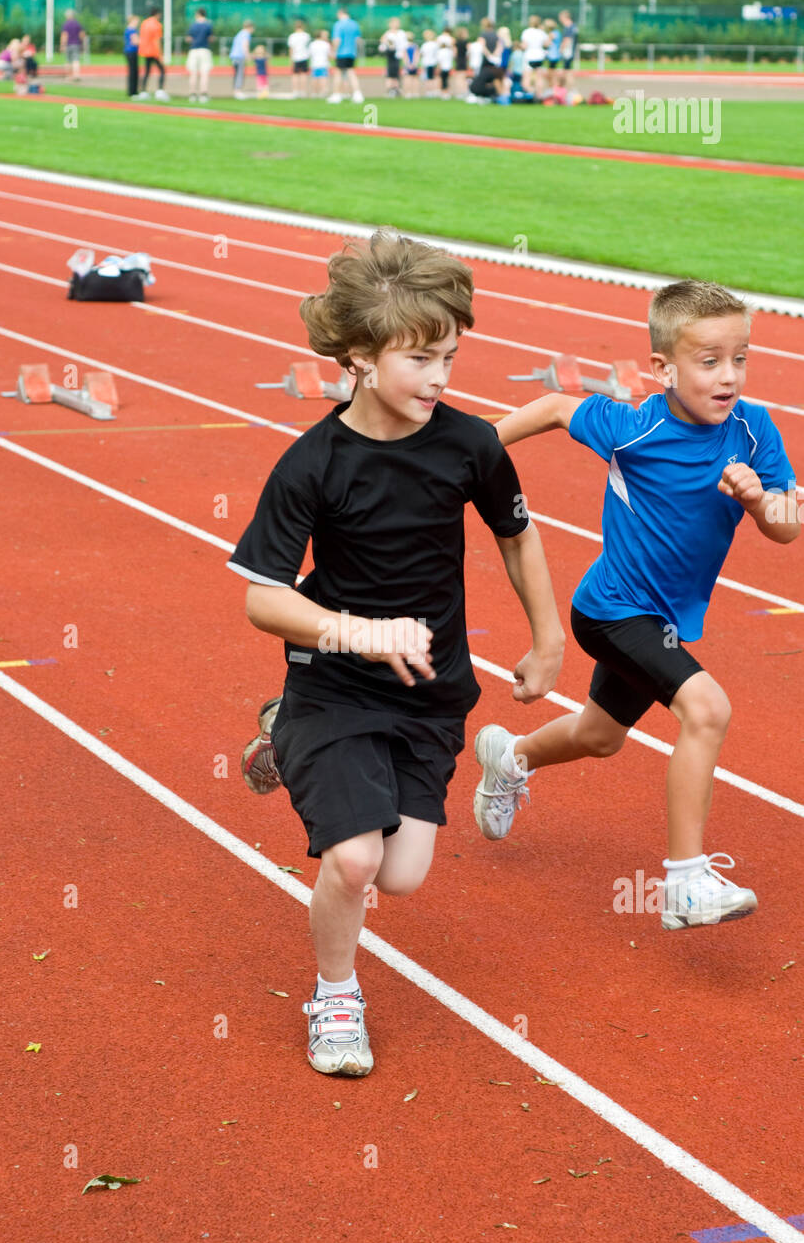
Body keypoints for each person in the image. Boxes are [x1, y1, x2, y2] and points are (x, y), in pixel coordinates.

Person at [232, 230, 564, 1076]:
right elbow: (262, 597)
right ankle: (335, 998)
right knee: (355, 861)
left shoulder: (470, 446)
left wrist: (547, 636)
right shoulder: (312, 463)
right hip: (337, 680)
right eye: (419, 360)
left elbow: (516, 537)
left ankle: (278, 737)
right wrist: (358, 632)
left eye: (449, 356)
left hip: (431, 689)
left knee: (405, 874)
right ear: (356, 358)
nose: (441, 378)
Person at [473, 280, 799, 931]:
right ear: (662, 368)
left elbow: (788, 525)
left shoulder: (753, 429)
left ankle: (508, 759)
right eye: (708, 361)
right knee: (706, 710)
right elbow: (554, 407)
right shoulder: (634, 426)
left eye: (740, 357)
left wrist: (760, 502)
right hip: (612, 610)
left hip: (664, 622)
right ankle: (683, 883)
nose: (728, 375)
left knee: (599, 737)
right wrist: (466, 452)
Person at [328, 6, 364, 104]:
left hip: (341, 52)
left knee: (338, 73)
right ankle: (357, 94)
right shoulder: (354, 24)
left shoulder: (338, 24)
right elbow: (358, 40)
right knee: (351, 72)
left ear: (340, 13)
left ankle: (336, 94)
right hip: (352, 52)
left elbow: (337, 40)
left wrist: (333, 51)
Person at [137, 8, 170, 101]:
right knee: (162, 70)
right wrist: (160, 54)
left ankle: (143, 91)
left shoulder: (144, 23)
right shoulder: (156, 25)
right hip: (154, 51)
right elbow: (157, 41)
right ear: (157, 14)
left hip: (145, 51)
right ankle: (160, 91)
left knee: (147, 71)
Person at [186, 7, 213, 104]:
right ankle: (203, 94)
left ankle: (192, 94)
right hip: (204, 50)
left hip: (194, 50)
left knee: (193, 73)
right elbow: (210, 38)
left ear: (198, 14)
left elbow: (189, 38)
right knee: (204, 74)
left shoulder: (193, 25)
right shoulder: (208, 25)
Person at [520, 14, 549, 94]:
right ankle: (539, 95)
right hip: (539, 56)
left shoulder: (526, 32)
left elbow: (524, 45)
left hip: (529, 56)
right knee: (539, 78)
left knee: (527, 77)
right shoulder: (541, 32)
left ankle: (529, 94)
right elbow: (546, 44)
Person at [379, 17, 404, 98]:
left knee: (396, 73)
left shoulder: (401, 33)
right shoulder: (387, 33)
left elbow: (403, 45)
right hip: (390, 55)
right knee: (389, 73)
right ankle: (389, 90)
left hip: (398, 55)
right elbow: (382, 43)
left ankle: (396, 89)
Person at [230, 19, 254, 98]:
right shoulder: (246, 34)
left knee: (237, 74)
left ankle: (236, 91)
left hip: (234, 56)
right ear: (250, 27)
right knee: (240, 74)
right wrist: (248, 55)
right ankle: (238, 91)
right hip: (239, 56)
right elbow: (245, 45)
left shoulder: (239, 33)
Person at [60, 10, 87, 82]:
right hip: (76, 44)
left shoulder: (66, 24)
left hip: (68, 44)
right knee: (76, 60)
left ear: (67, 16)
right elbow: (82, 35)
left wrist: (62, 45)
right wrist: (82, 43)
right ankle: (76, 75)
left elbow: (64, 35)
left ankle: (69, 76)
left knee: (68, 61)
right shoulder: (77, 24)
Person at [287, 18, 312, 98]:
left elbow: (291, 49)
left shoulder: (292, 36)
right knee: (303, 74)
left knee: (295, 75)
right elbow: (308, 47)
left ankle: (295, 91)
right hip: (304, 56)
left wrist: (291, 59)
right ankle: (303, 91)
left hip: (296, 57)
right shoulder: (306, 35)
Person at [558, 9, 578, 89]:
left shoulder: (569, 27)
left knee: (567, 72)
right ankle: (567, 89)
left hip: (567, 52)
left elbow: (567, 39)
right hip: (570, 51)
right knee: (567, 71)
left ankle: (571, 90)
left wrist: (561, 48)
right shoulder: (573, 26)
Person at [309, 29, 331, 97]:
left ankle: (314, 92)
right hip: (323, 63)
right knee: (323, 78)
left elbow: (310, 54)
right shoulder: (326, 44)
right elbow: (329, 55)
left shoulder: (312, 44)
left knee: (314, 78)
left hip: (314, 63)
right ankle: (323, 92)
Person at [419, 29, 439, 97]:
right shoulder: (435, 44)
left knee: (428, 78)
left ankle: (429, 91)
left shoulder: (425, 45)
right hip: (433, 62)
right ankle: (432, 91)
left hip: (427, 63)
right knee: (432, 78)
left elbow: (421, 54)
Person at [123, 16, 140, 99]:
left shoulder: (128, 29)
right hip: (132, 52)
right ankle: (133, 92)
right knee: (133, 72)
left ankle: (132, 91)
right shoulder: (132, 30)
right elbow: (135, 41)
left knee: (132, 72)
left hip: (129, 52)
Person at [437, 29, 455, 99]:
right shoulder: (449, 51)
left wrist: (439, 66)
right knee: (447, 79)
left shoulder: (440, 51)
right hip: (447, 66)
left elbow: (439, 60)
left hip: (443, 67)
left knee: (443, 79)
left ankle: (443, 92)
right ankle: (447, 92)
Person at [452, 25, 469, 99]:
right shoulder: (466, 42)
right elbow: (469, 52)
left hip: (459, 60)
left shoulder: (456, 42)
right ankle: (464, 92)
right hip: (464, 60)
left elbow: (454, 53)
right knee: (463, 77)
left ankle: (459, 92)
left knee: (458, 77)